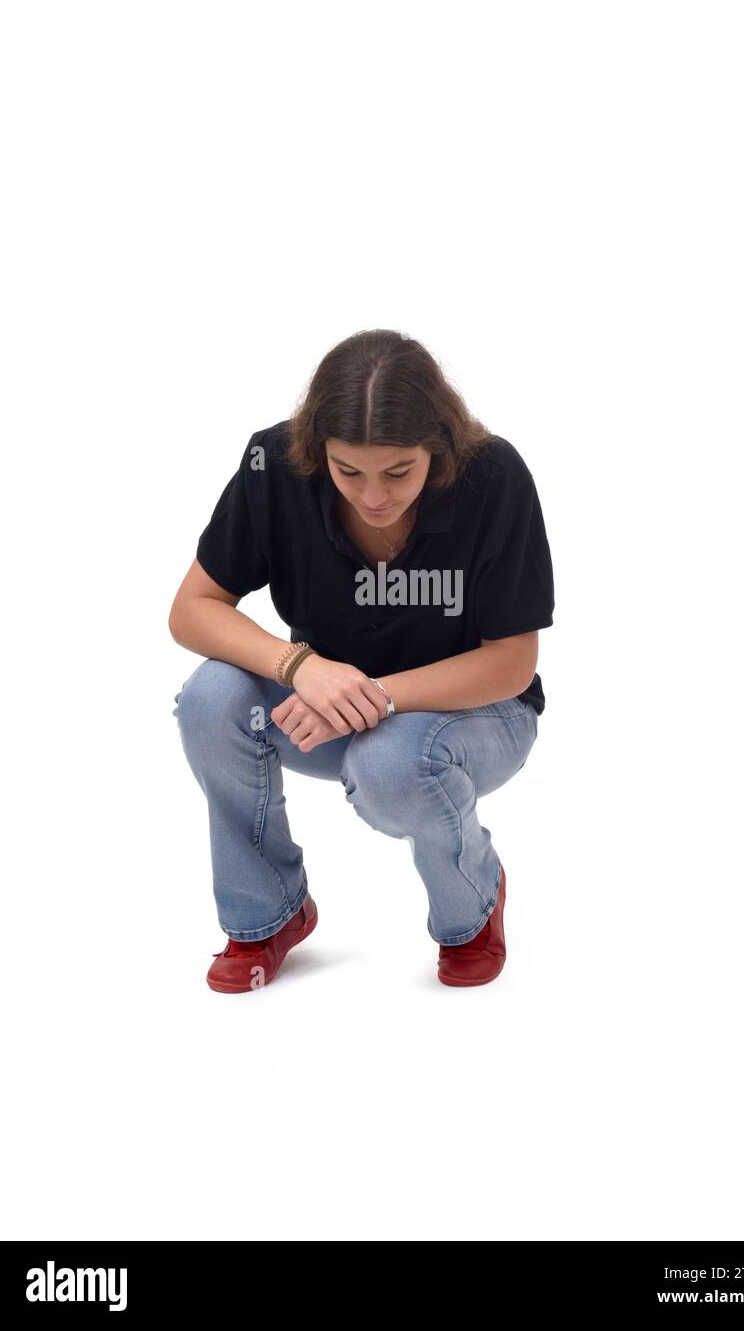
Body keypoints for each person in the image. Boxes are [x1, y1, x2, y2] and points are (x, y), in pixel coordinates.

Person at [169, 328, 555, 992]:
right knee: (209, 698)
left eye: (399, 472)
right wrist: (300, 668)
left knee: (391, 761)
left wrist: (369, 697)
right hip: (322, 708)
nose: (373, 496)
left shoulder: (495, 477)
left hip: (475, 716)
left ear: (437, 446)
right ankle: (268, 915)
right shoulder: (275, 463)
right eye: (349, 472)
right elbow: (193, 608)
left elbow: (511, 662)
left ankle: (473, 907)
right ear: (318, 451)